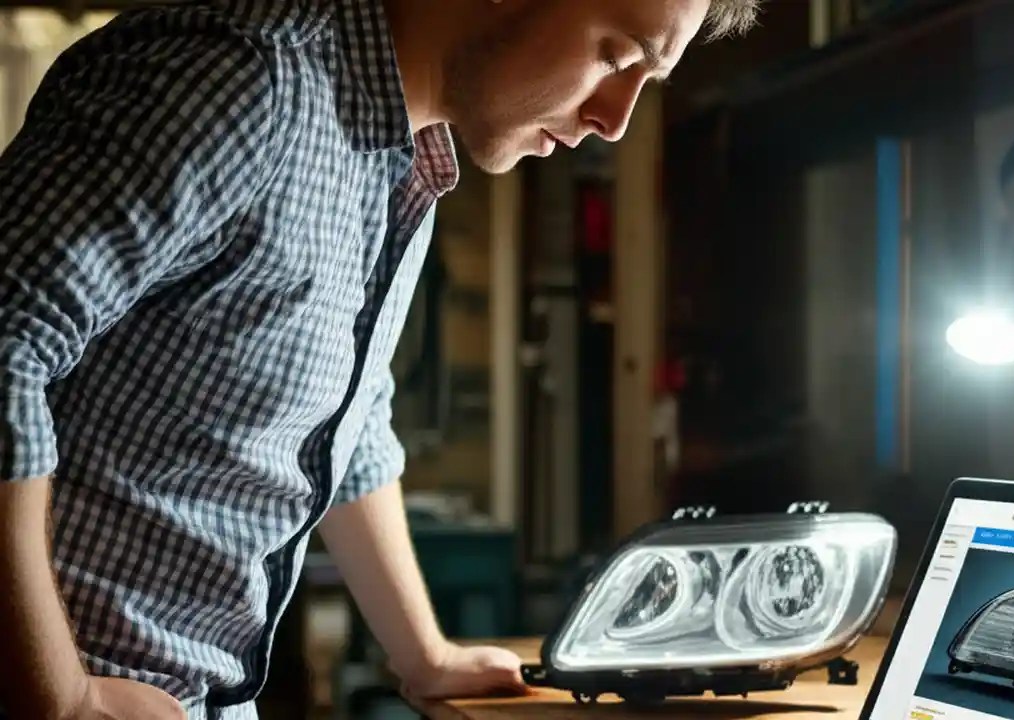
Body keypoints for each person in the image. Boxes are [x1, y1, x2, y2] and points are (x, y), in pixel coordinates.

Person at [0, 0, 761, 717]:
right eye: (614, 54)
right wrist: (57, 694)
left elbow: (349, 421)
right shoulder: (240, 82)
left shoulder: (403, 159)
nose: (616, 120)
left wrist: (423, 655)